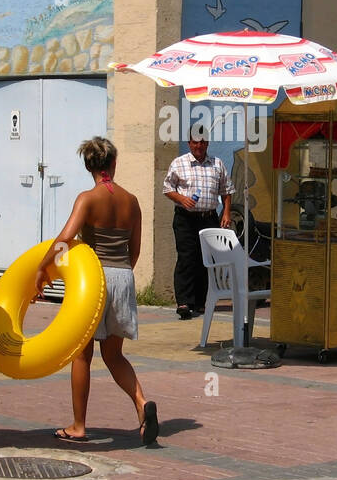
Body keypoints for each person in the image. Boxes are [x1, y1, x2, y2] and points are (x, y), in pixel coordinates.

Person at [34, 137, 158, 445]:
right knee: (114, 355)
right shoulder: (132, 201)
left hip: (94, 280)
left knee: (82, 354)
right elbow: (136, 250)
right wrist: (120, 276)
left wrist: (42, 267)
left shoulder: (87, 199)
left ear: (89, 166)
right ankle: (142, 404)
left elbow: (65, 237)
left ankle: (78, 425)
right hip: (123, 276)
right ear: (113, 163)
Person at [163, 126, 232, 319]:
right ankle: (184, 302)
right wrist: (181, 199)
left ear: (207, 143)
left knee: (206, 260)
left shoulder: (217, 164)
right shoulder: (179, 163)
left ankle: (201, 302)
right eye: (195, 142)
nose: (199, 146)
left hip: (208, 217)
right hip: (185, 219)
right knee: (187, 257)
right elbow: (167, 188)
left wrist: (226, 213)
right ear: (189, 143)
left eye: (202, 142)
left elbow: (226, 190)